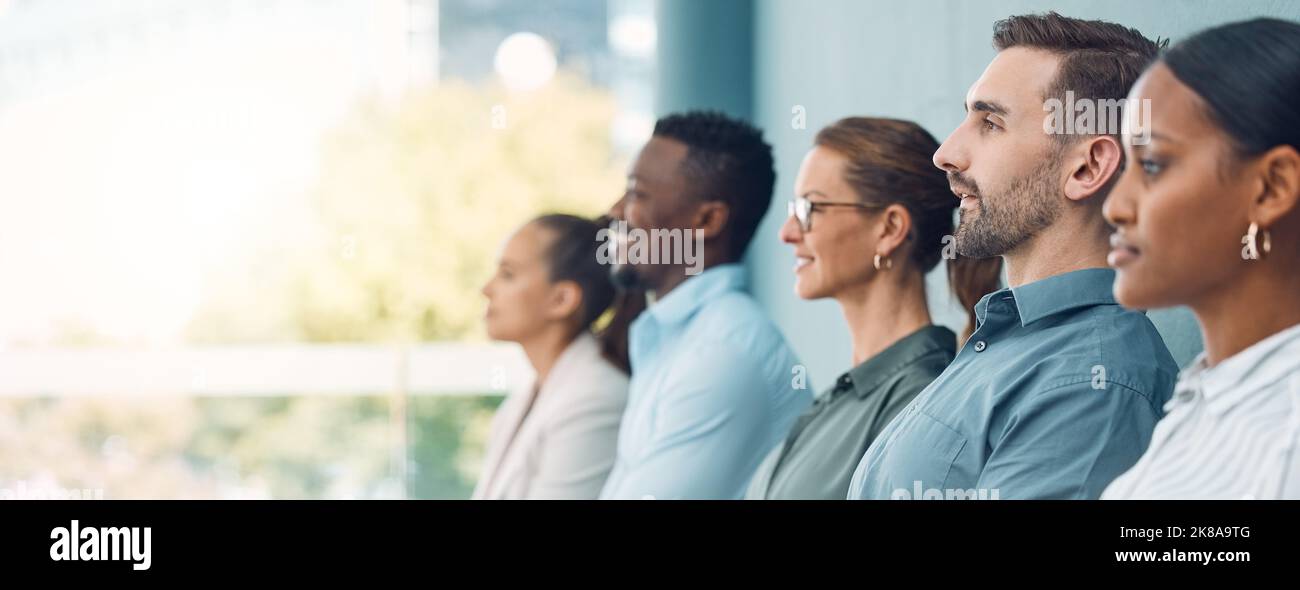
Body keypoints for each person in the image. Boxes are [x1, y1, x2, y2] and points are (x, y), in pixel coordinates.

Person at [849, 12, 1179, 500]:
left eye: (990, 122)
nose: (946, 153)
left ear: (1087, 167)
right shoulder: (1008, 344)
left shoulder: (1093, 386)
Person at [746, 117, 1001, 500]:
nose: (787, 232)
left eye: (809, 208)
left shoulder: (920, 401)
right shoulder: (851, 396)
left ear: (889, 229)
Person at [1101, 18, 1300, 499]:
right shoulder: (1204, 399)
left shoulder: (1287, 436)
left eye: (1151, 165)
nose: (1114, 207)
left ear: (1272, 187)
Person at [598, 111, 812, 499]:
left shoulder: (721, 352)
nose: (615, 211)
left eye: (636, 193)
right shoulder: (681, 337)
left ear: (707, 220)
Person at [474, 214, 630, 499]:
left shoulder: (595, 401)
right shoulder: (525, 401)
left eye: (507, 274)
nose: (486, 289)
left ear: (562, 300)